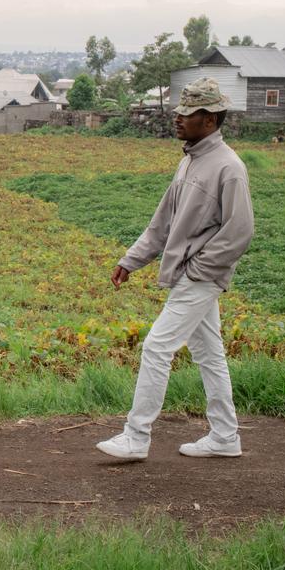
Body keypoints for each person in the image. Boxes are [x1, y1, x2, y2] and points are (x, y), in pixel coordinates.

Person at [96, 79, 254, 461]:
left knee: (156, 346)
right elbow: (163, 222)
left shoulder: (228, 168)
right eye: (179, 112)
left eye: (188, 114)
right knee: (209, 353)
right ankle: (224, 435)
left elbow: (240, 231)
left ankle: (136, 436)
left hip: (199, 276)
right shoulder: (190, 161)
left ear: (211, 119)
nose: (178, 120)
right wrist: (130, 260)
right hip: (190, 273)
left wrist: (200, 268)